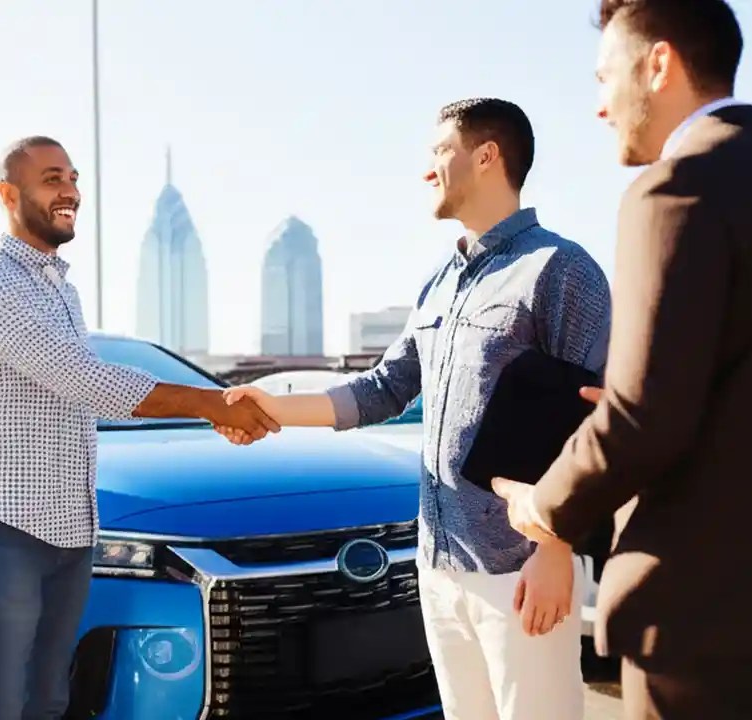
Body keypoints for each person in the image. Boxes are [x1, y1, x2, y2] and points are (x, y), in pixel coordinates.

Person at [494, 2, 752, 718]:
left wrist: (543, 507)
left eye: (604, 77)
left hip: (712, 621)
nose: (598, 107)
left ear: (659, 64)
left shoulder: (674, 190)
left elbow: (646, 420)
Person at [224, 99, 611, 720]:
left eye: (439, 152)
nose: (428, 170)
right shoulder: (440, 280)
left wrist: (556, 549)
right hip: (439, 563)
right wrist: (275, 407)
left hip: (521, 569)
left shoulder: (560, 269)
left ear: (486, 156)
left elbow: (594, 417)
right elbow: (383, 389)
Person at [0, 135, 279, 718]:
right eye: (52, 179)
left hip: (72, 532)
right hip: (3, 527)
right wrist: (211, 403)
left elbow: (83, 389)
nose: (71, 190)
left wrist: (216, 407)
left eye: (74, 177)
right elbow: (82, 378)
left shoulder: (63, 290)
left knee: (48, 699)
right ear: (8, 193)